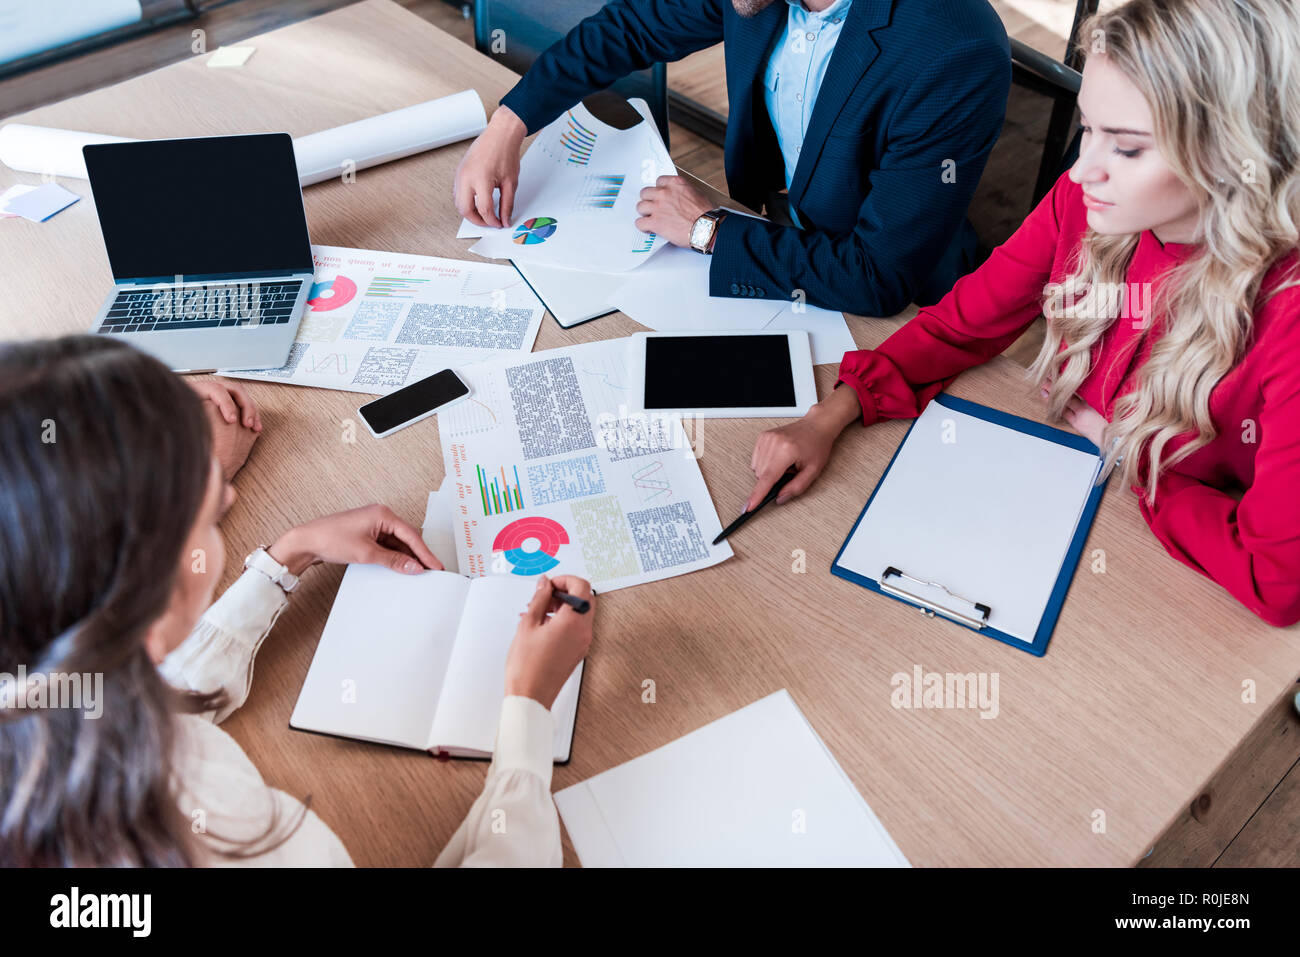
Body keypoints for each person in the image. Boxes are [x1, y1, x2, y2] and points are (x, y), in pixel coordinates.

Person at [748, 0, 1300, 626]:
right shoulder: (1085, 198)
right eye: (1087, 130)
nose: (1083, 169)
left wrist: (1123, 457)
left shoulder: (1287, 318)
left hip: (1171, 574)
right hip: (1070, 507)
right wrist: (834, 412)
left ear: (1230, 153)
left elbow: (1272, 580)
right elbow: (963, 324)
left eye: (1126, 148)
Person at [0, 336, 593, 866]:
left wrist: (289, 556)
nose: (229, 507)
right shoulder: (226, 833)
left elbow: (140, 700)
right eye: (213, 513)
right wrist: (526, 717)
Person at [455, 0, 1011, 316]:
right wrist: (509, 123)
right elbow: (629, 29)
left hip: (892, 306)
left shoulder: (956, 50)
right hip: (771, 238)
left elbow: (879, 276)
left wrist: (708, 230)